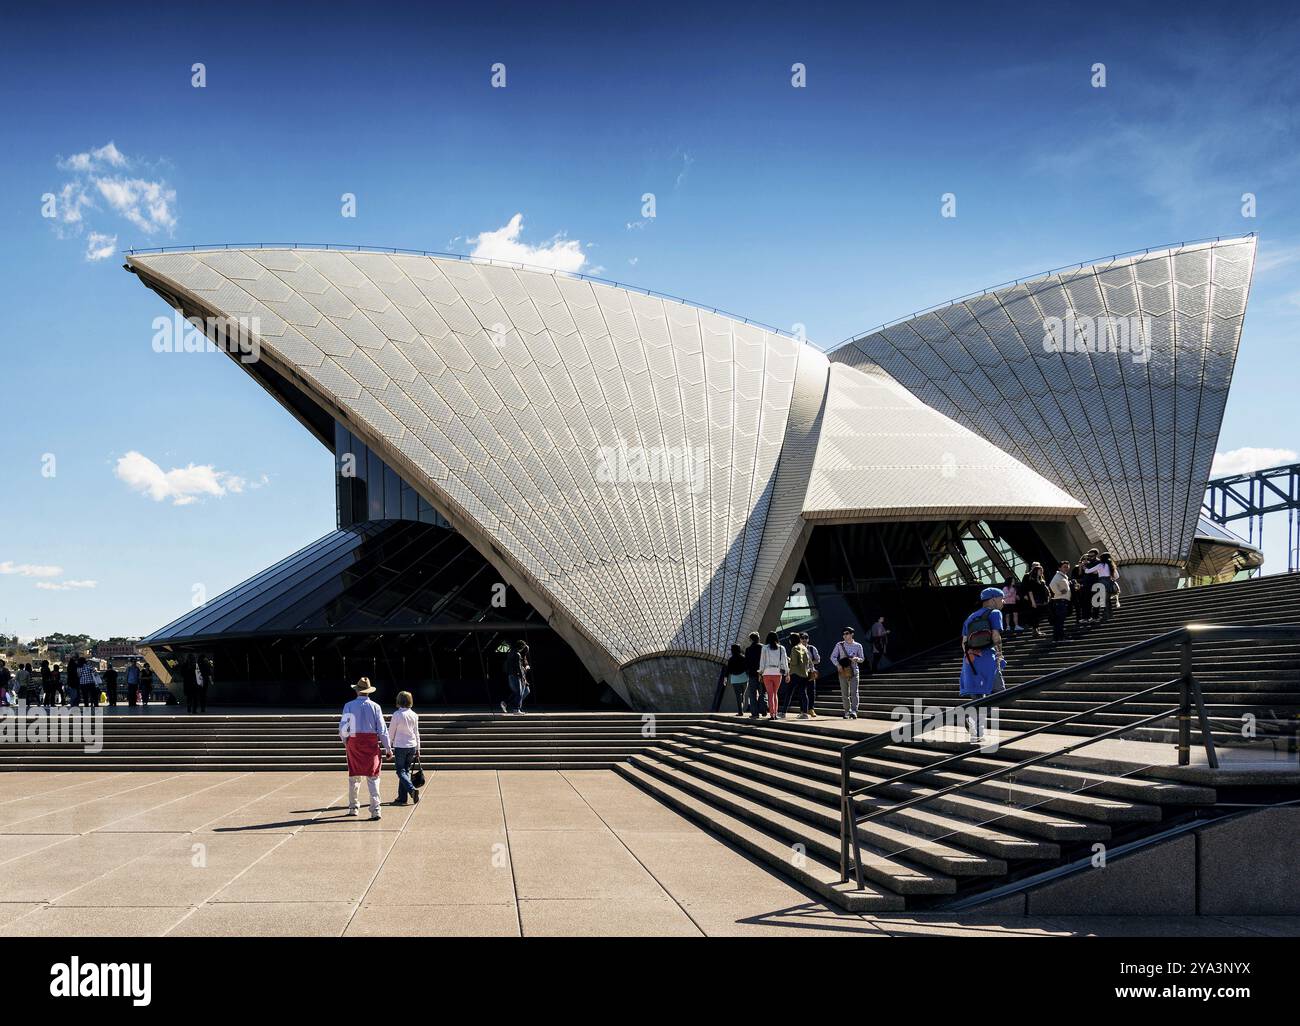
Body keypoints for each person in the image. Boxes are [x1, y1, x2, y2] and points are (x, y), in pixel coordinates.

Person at [339, 677, 392, 820]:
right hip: (371, 743)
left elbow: (344, 728)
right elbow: (382, 730)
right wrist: (388, 748)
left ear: (357, 690)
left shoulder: (349, 705)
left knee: (353, 777)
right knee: (373, 776)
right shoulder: (375, 707)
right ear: (369, 691)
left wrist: (346, 742)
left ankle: (353, 807)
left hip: (354, 743)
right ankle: (376, 810)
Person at [960, 587, 1007, 742]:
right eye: (1001, 598)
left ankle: (976, 733)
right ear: (993, 599)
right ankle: (972, 721)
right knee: (999, 691)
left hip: (970, 661)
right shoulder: (994, 613)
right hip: (988, 659)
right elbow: (996, 635)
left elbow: (964, 642)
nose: (1003, 601)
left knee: (977, 697)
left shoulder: (970, 617)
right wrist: (999, 654)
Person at [388, 691, 421, 806]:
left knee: (400, 771)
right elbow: (416, 733)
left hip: (400, 746)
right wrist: (418, 749)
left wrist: (388, 747)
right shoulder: (414, 715)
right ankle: (402, 798)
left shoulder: (397, 715)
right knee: (405, 771)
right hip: (411, 746)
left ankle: (411, 790)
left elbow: (391, 732)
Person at [830, 627, 865, 719]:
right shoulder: (839, 645)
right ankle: (847, 711)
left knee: (854, 692)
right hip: (843, 671)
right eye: (843, 634)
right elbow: (833, 657)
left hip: (854, 671)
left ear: (852, 634)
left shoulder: (858, 645)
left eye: (847, 633)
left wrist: (857, 659)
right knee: (844, 693)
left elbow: (862, 659)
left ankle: (854, 711)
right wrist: (838, 665)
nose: (845, 636)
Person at [757, 631, 788, 720]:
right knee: (775, 693)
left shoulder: (764, 648)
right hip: (777, 673)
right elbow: (784, 662)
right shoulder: (781, 648)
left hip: (766, 673)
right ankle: (775, 713)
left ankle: (772, 714)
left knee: (770, 694)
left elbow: (762, 662)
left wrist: (760, 672)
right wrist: (787, 673)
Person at [786, 634, 812, 719]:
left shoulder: (794, 648)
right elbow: (807, 661)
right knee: (803, 693)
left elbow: (794, 662)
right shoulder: (804, 647)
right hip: (804, 674)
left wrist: (788, 659)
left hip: (795, 673)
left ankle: (782, 712)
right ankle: (805, 713)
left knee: (789, 692)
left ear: (792, 640)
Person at [1048, 560, 1073, 642]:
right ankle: (1060, 638)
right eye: (1064, 567)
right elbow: (1051, 584)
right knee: (1060, 621)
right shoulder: (1058, 576)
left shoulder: (1063, 576)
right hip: (1060, 601)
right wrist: (1059, 592)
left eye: (1067, 566)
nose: (1066, 568)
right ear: (1059, 568)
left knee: (1059, 621)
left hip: (1062, 601)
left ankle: (1057, 638)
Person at [743, 631, 764, 720]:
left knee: (752, 693)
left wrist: (747, 671)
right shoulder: (763, 647)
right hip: (762, 673)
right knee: (763, 692)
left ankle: (754, 713)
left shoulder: (748, 649)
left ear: (751, 640)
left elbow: (746, 663)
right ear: (758, 638)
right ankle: (763, 709)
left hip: (752, 674)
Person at [506, 640, 531, 714]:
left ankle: (515, 708)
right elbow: (518, 667)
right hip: (517, 675)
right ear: (521, 646)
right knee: (520, 692)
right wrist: (522, 677)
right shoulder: (517, 654)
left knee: (519, 692)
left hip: (512, 675)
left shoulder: (511, 653)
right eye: (524, 647)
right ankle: (516, 709)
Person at [724, 644, 748, 715]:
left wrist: (725, 678)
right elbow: (747, 668)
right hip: (744, 678)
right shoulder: (743, 658)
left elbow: (728, 670)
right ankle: (742, 707)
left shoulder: (731, 659)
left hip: (735, 679)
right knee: (743, 694)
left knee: (738, 696)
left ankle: (740, 711)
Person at [1095, 551, 1120, 621]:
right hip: (1109, 585)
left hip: (1102, 585)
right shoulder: (1111, 565)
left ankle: (1106, 615)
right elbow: (1117, 576)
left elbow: (1090, 571)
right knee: (1107, 600)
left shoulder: (1100, 565)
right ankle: (1109, 615)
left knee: (1105, 600)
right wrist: (1110, 578)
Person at [802, 632, 820, 718]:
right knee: (801, 692)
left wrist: (809, 662)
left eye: (806, 638)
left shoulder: (812, 648)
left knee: (811, 691)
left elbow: (818, 660)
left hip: (811, 672)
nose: (804, 640)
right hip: (801, 673)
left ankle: (811, 709)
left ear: (808, 639)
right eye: (802, 638)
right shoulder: (797, 649)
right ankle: (803, 710)